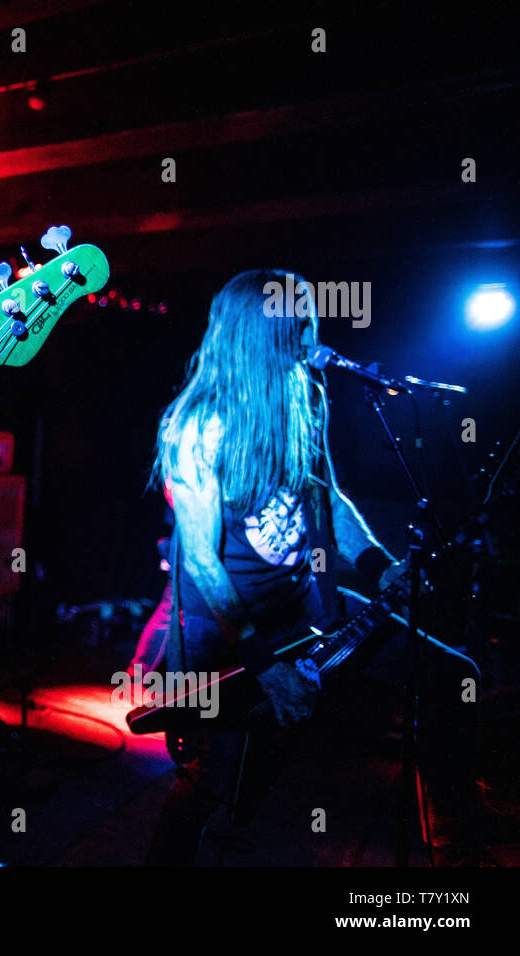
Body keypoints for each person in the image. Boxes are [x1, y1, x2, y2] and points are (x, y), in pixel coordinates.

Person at [142, 268, 481, 865]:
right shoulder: (199, 425)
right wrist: (264, 665)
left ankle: (459, 843)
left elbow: (328, 496)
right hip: (226, 641)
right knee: (208, 787)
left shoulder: (304, 396)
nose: (310, 330)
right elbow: (197, 557)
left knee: (453, 675)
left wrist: (377, 565)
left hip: (307, 614)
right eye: (297, 320)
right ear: (259, 333)